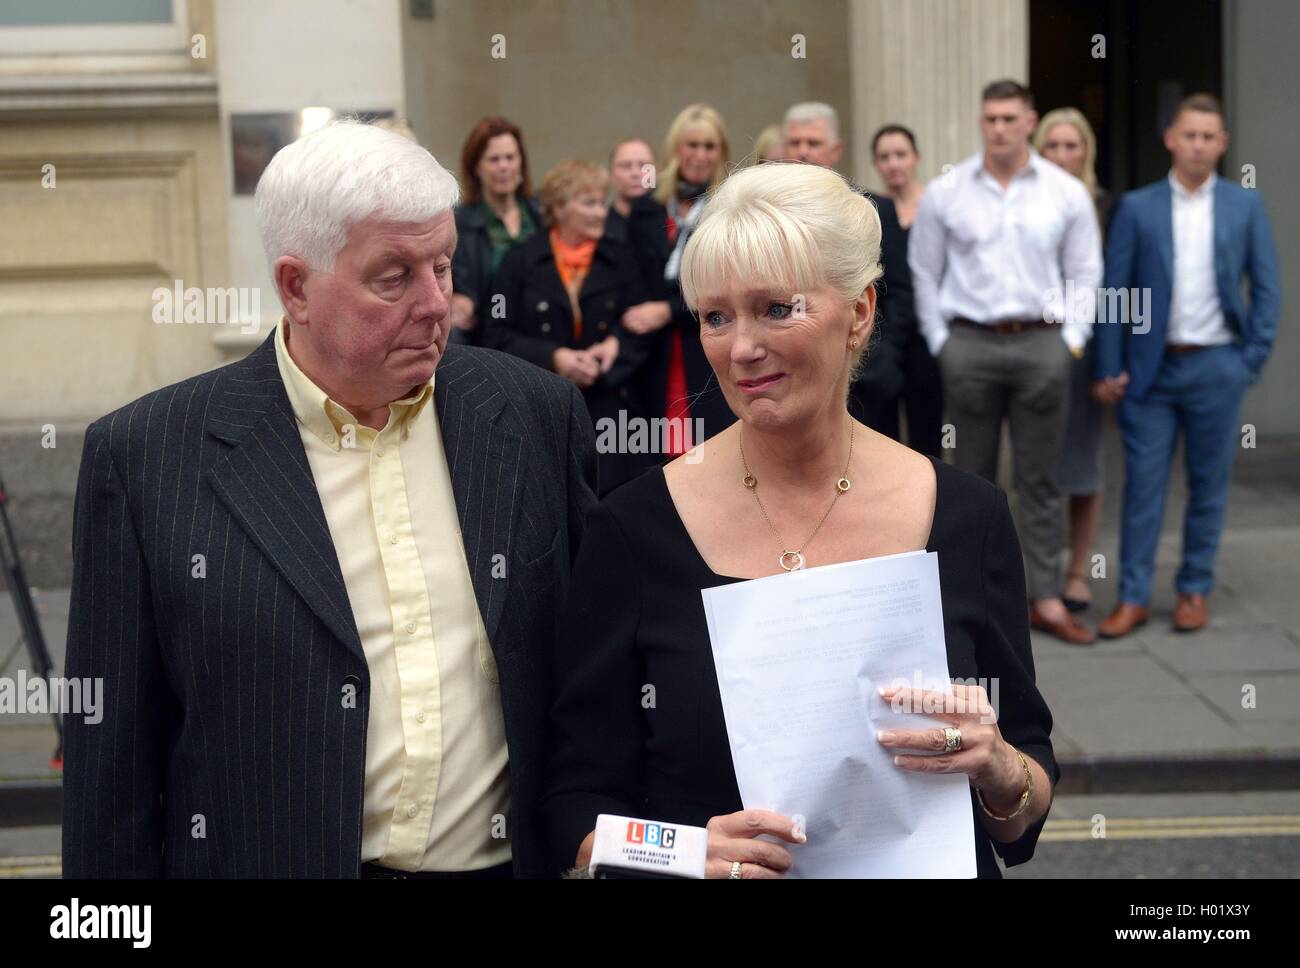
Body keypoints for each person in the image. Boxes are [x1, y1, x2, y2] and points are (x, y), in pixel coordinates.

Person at [61, 120, 599, 879]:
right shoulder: (150, 457)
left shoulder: (535, 416)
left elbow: (591, 683)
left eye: (443, 266)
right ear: (295, 286)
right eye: (394, 276)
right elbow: (108, 771)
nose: (436, 303)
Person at [544, 162, 1058, 879]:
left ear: (860, 312)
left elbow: (1025, 799)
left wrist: (1001, 768)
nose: (741, 347)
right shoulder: (634, 528)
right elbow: (576, 805)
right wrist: (685, 853)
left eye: (775, 309)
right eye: (716, 316)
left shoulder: (967, 515)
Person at [909, 79, 1103, 646]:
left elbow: (1086, 272)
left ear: (1029, 121)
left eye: (1009, 118)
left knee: (1040, 480)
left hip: (1042, 343)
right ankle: (969, 604)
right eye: (990, 118)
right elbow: (925, 270)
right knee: (968, 481)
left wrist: (1072, 339)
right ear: (981, 122)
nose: (998, 127)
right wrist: (940, 339)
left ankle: (1044, 597)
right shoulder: (948, 192)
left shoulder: (1064, 192)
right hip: (969, 344)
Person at [1093, 93, 1281, 637]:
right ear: (1171, 139)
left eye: (1209, 136)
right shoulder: (1138, 207)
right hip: (1150, 373)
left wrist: (1250, 359)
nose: (1198, 145)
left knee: (1209, 484)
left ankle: (1194, 588)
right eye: (1189, 134)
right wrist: (1109, 363)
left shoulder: (1245, 206)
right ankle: (1131, 596)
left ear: (1222, 144)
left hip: (1217, 367)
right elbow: (1115, 291)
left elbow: (1266, 287)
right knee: (1143, 486)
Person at [485, 160, 653, 496]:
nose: (600, 212)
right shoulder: (519, 262)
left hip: (613, 415)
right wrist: (554, 357)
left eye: (601, 202)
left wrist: (615, 347)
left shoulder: (620, 258)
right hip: (541, 410)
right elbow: (496, 334)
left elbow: (642, 326)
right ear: (559, 208)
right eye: (588, 203)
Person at [781, 102, 909, 446]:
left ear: (836, 150)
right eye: (795, 143)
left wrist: (887, 358)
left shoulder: (873, 208)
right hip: (788, 374)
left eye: (813, 142)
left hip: (867, 375)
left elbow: (896, 291)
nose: (803, 151)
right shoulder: (770, 214)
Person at [619, 104, 734, 452]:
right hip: (652, 354)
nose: (700, 155)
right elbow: (630, 277)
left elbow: (726, 287)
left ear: (721, 153)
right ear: (675, 149)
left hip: (708, 347)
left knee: (710, 449)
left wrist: (668, 310)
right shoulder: (647, 208)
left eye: (709, 146)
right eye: (692, 145)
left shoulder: (727, 209)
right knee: (659, 454)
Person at [1034, 107, 1111, 615]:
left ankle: (1078, 571)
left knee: (1083, 465)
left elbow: (1117, 289)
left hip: (1084, 351)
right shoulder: (1024, 203)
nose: (1063, 155)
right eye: (1053, 146)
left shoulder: (1104, 206)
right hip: (1030, 348)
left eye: (1071, 145)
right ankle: (1035, 573)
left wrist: (1108, 362)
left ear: (1086, 150)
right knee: (1035, 466)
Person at [872, 123, 943, 456]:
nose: (893, 164)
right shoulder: (870, 212)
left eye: (900, 155)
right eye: (884, 157)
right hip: (888, 337)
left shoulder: (938, 205)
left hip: (927, 337)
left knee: (929, 433)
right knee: (883, 435)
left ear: (915, 158)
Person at [449, 117, 543, 345]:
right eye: (494, 159)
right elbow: (453, 278)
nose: (504, 166)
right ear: (476, 168)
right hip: (488, 330)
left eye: (510, 157)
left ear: (521, 163)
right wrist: (455, 298)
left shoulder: (542, 214)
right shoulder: (459, 223)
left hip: (542, 326)